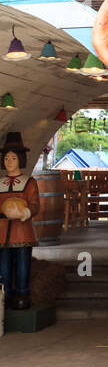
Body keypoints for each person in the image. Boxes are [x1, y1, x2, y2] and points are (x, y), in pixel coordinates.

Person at [0, 132, 40, 311]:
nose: (9, 161)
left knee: (23, 266)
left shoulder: (29, 182)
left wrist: (24, 212)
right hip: (2, 233)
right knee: (4, 266)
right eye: (6, 158)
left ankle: (22, 294)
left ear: (21, 159)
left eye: (13, 158)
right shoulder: (0, 183)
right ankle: (6, 295)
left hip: (23, 232)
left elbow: (35, 205)